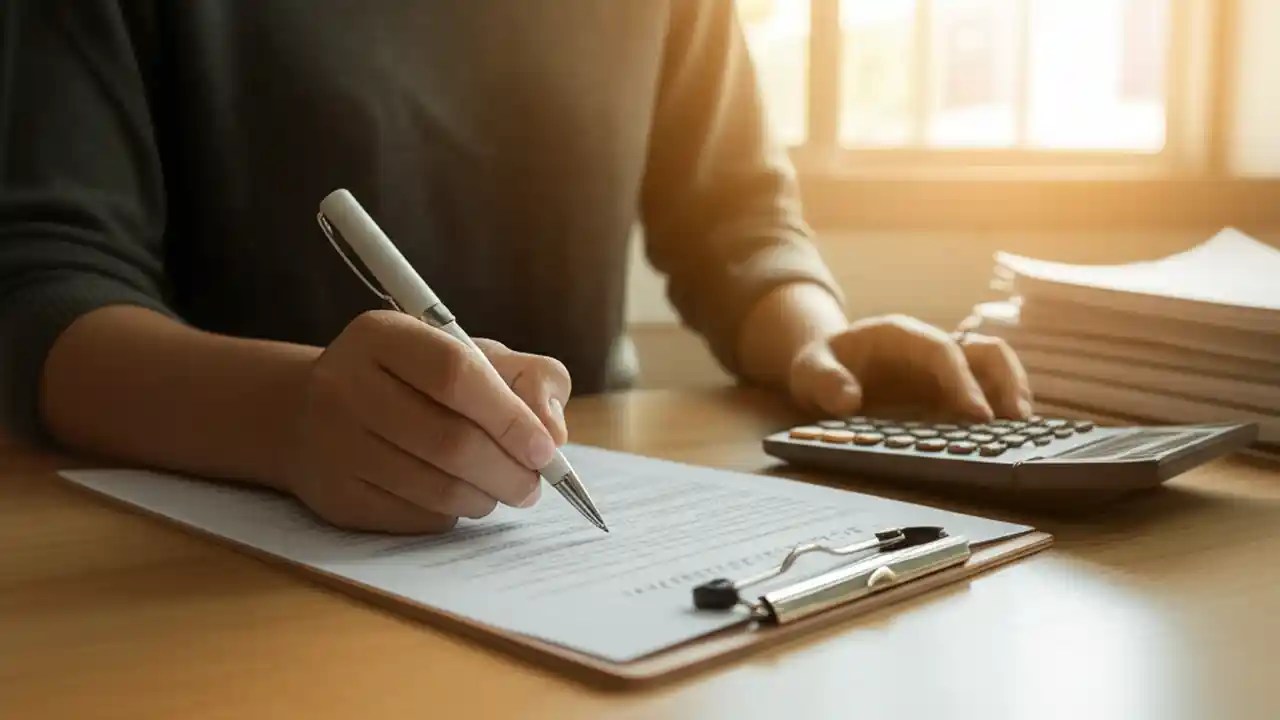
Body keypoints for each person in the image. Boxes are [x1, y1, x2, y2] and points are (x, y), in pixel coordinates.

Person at [0, 2, 1031, 533]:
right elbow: (46, 290)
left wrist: (812, 340)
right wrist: (286, 415)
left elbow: (735, 219)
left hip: (545, 535)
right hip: (209, 567)